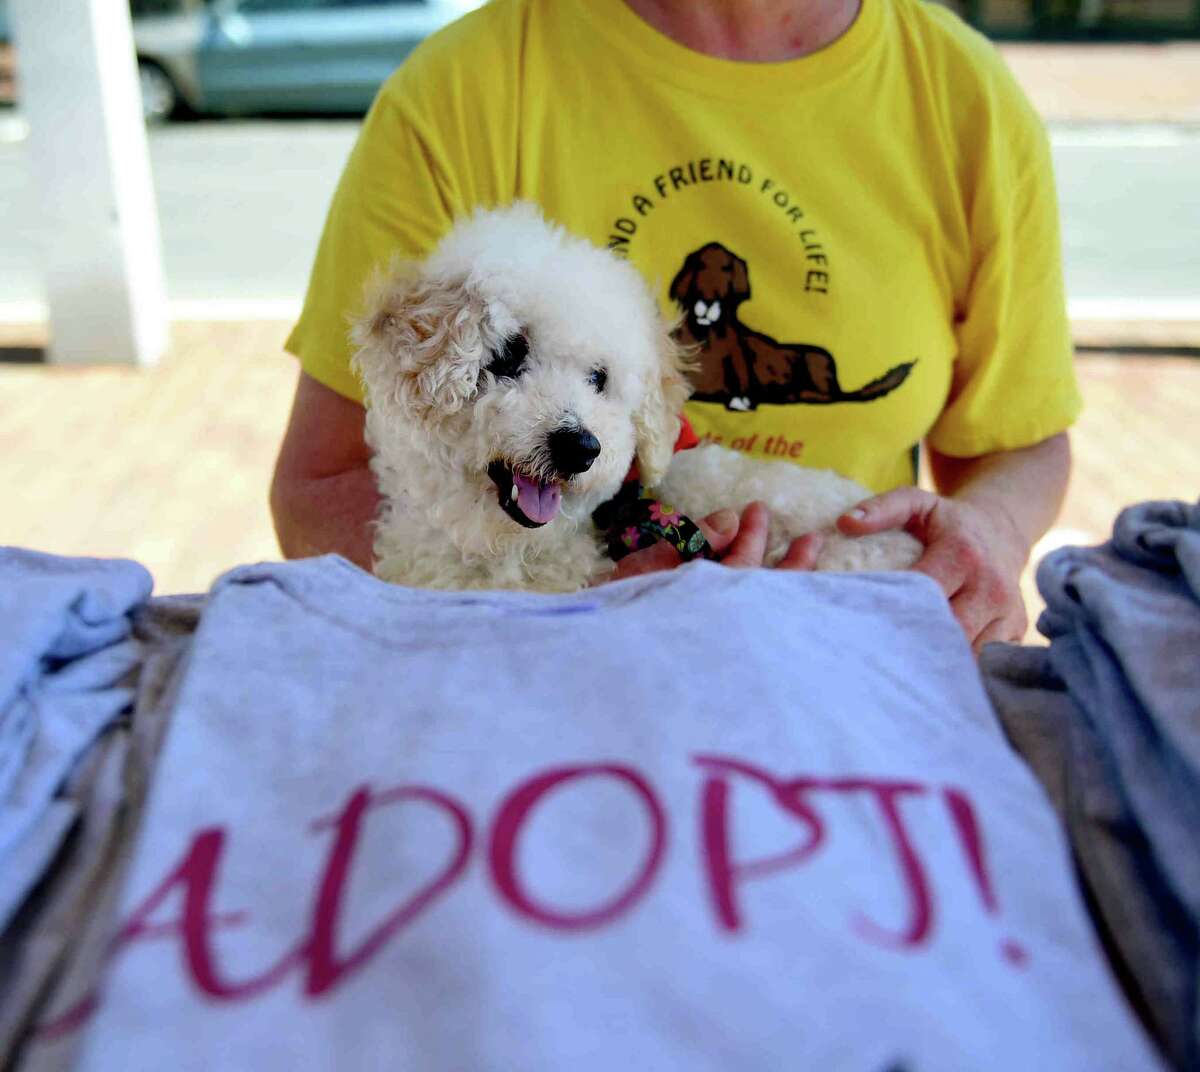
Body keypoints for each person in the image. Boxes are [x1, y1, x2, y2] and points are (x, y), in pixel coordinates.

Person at [271, 0, 1078, 651]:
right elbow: (318, 490)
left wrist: (991, 535)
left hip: (854, 646)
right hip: (528, 691)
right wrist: (552, 620)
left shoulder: (966, 97)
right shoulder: (462, 89)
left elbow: (1017, 439)